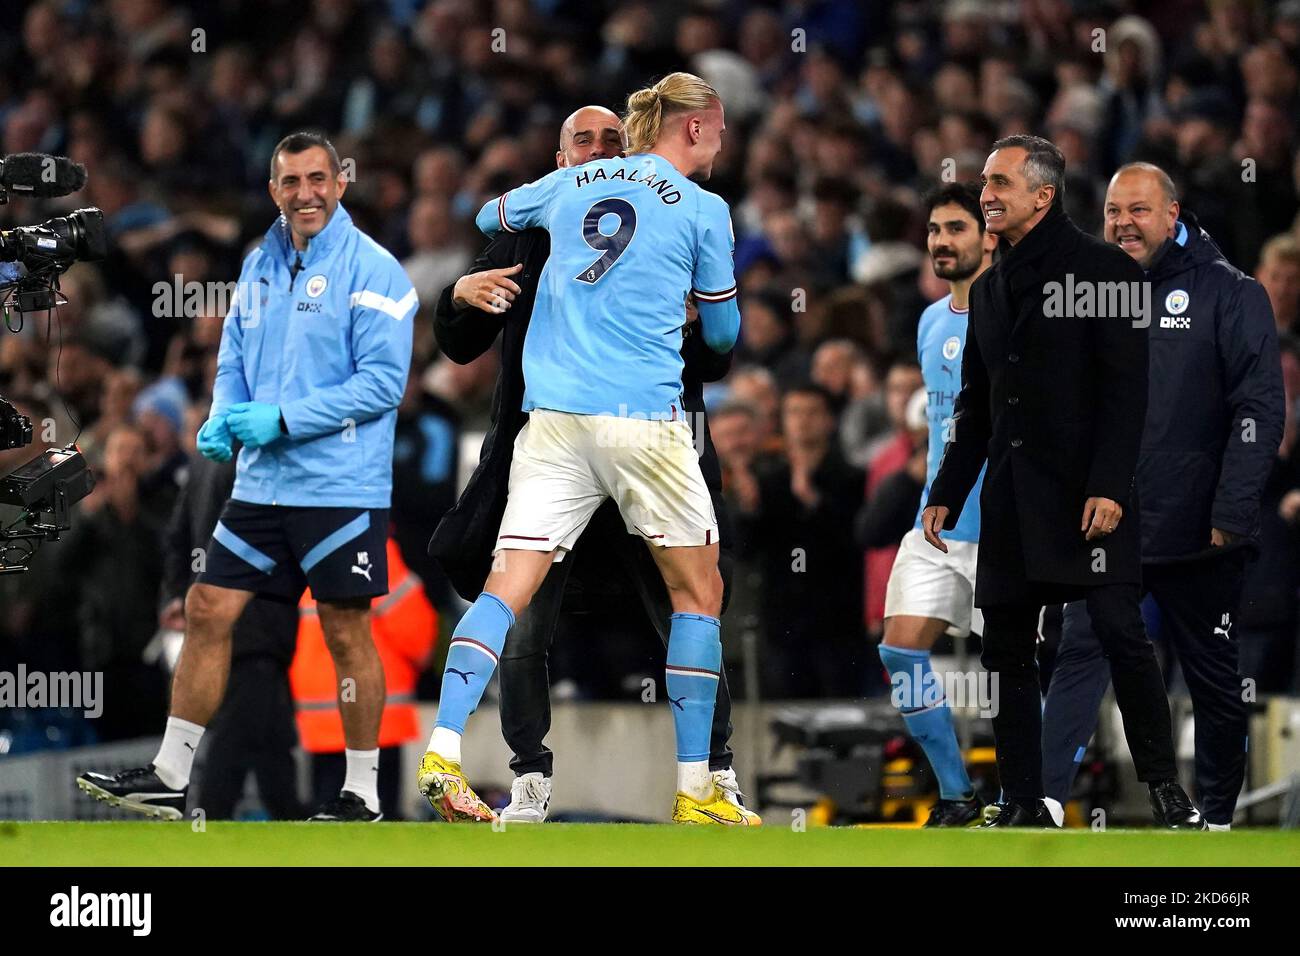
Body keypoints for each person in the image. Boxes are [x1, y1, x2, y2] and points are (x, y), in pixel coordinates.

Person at [417, 73, 747, 825]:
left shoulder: (556, 193)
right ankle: (695, 787)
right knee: (699, 598)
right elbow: (723, 342)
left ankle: (442, 745)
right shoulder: (700, 208)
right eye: (720, 127)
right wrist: (460, 293)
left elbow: (484, 208)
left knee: (507, 591)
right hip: (644, 429)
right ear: (692, 129)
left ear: (629, 137)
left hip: (555, 426)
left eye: (608, 137)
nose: (598, 150)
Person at [76, 132, 416, 822]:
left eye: (318, 178)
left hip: (338, 488)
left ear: (339, 183)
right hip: (261, 486)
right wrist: (223, 416)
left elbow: (383, 384)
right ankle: (172, 774)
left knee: (347, 631)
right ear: (274, 191)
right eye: (291, 182)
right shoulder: (260, 265)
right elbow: (232, 357)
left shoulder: (377, 271)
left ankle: (361, 792)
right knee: (206, 609)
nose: (306, 193)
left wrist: (283, 419)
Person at [921, 135, 1201, 828]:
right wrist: (948, 490)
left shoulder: (1107, 271)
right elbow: (976, 404)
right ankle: (1023, 800)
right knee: (1006, 646)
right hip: (1013, 499)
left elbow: (1125, 392)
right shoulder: (985, 291)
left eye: (999, 184)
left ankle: (1166, 789)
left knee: (1118, 631)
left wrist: (1109, 485)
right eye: (985, 183)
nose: (985, 194)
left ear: (1043, 196)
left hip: (1088, 496)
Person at [1041, 163, 1283, 829]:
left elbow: (1258, 410)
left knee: (1211, 678)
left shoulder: (1230, 294)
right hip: (1108, 528)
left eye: (1138, 211)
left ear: (1172, 216)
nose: (1121, 223)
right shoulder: (1090, 293)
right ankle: (1045, 803)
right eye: (1114, 211)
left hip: (1199, 531)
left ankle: (1216, 820)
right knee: (1080, 658)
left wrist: (1232, 511)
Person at [877, 182, 995, 827]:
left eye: (957, 228)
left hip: (1001, 524)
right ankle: (957, 794)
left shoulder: (1011, 313)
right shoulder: (928, 320)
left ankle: (1035, 792)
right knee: (899, 651)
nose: (942, 242)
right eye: (934, 230)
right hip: (936, 520)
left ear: (988, 236)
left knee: (1011, 668)